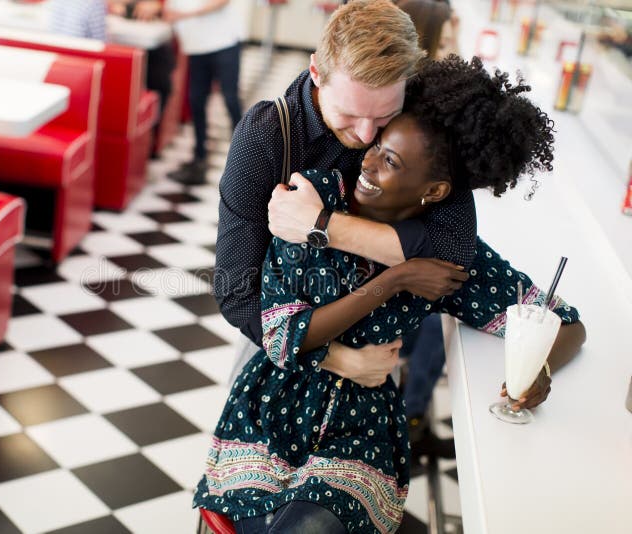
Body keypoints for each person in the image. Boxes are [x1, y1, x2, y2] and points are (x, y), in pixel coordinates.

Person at [194, 56, 586, 533]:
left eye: (391, 160)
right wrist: (396, 280)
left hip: (359, 431)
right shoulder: (313, 200)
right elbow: (283, 334)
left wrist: (539, 370)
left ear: (436, 191)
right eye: (377, 145)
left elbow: (561, 321)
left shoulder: (446, 257)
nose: (367, 161)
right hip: (270, 410)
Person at [214, 0, 473, 399]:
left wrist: (321, 227)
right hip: (279, 350)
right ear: (317, 71)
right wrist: (338, 359)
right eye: (350, 114)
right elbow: (236, 291)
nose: (368, 135)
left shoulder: (419, 119)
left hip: (376, 358)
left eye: (385, 116)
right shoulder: (267, 137)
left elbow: (453, 251)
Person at [394, 0, 463, 460]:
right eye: (450, 37)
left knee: (434, 318)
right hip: (406, 233)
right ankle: (410, 417)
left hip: (409, 228)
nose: (456, 46)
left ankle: (410, 411)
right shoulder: (423, 104)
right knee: (440, 316)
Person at [163, 0, 243, 185]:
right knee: (196, 102)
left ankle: (246, 161)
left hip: (224, 43)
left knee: (230, 99)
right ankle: (199, 160)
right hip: (196, 47)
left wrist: (183, 15)